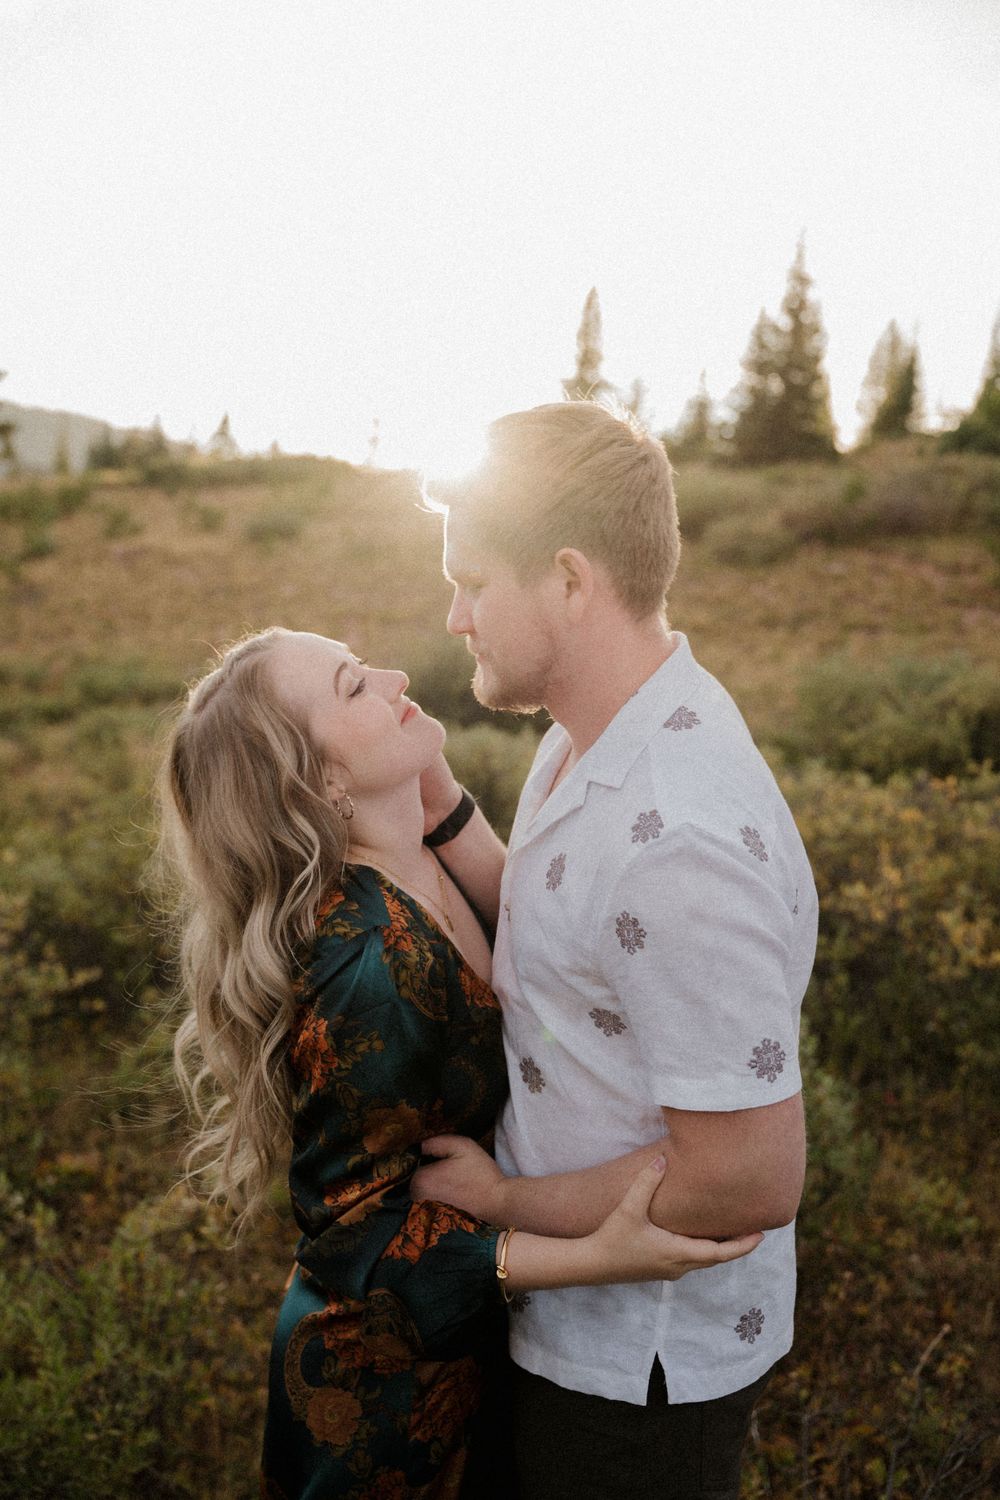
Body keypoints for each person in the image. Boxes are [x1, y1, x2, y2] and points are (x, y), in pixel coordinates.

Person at [157, 626, 763, 1500]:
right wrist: (603, 1254)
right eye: (354, 686)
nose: (396, 675)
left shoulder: (417, 856)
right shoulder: (367, 963)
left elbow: (533, 952)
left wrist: (439, 799)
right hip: (381, 1405)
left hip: (466, 1355)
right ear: (321, 781)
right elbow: (358, 1240)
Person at [413, 400, 819, 1500]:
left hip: (636, 1377)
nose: (454, 615)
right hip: (567, 1322)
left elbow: (742, 1177)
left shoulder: (677, 839)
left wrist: (499, 1204)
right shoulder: (601, 728)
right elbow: (563, 932)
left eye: (473, 580)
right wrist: (441, 807)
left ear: (570, 579)